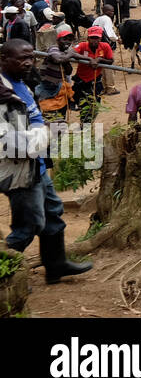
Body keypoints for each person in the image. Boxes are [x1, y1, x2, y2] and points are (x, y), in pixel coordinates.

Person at [0, 40, 93, 284]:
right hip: (19, 170)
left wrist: (45, 130)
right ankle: (5, 274)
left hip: (37, 164)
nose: (28, 62)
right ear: (3, 59)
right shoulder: (2, 94)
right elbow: (9, 144)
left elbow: (35, 118)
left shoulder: (22, 86)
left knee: (53, 213)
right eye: (21, 58)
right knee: (28, 226)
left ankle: (56, 265)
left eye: (31, 57)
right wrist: (46, 133)